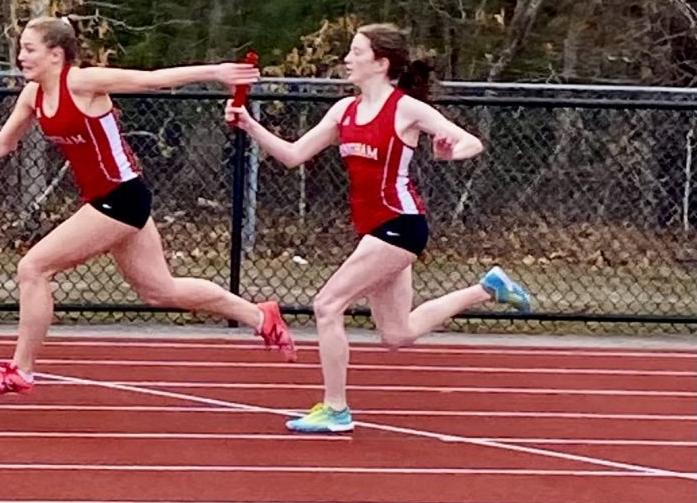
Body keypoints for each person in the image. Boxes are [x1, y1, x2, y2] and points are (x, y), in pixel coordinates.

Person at [0, 16, 297, 395]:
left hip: (121, 197)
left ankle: (22, 370)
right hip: (109, 199)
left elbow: (152, 79)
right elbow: (3, 142)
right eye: (21, 48)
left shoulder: (83, 82)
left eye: (29, 49)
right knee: (159, 290)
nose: (21, 57)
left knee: (34, 268)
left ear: (56, 54)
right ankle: (260, 316)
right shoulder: (33, 95)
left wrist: (216, 71)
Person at [225, 22, 531, 434]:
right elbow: (294, 155)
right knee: (397, 334)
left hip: (399, 225)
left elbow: (470, 142)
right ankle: (488, 288)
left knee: (327, 305)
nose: (347, 59)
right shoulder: (344, 111)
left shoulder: (405, 108)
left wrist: (448, 153)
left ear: (381, 63)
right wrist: (249, 124)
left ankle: (336, 409)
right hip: (375, 228)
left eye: (356, 52)